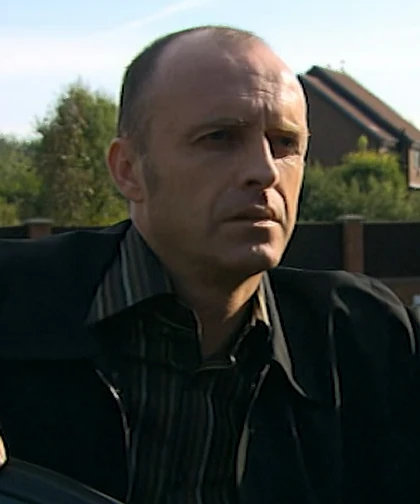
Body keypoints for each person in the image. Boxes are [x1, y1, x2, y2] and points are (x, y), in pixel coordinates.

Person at [0, 25, 419, 504]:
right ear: (128, 170)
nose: (264, 171)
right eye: (220, 137)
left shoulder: (364, 340)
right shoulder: (15, 300)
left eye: (285, 143)